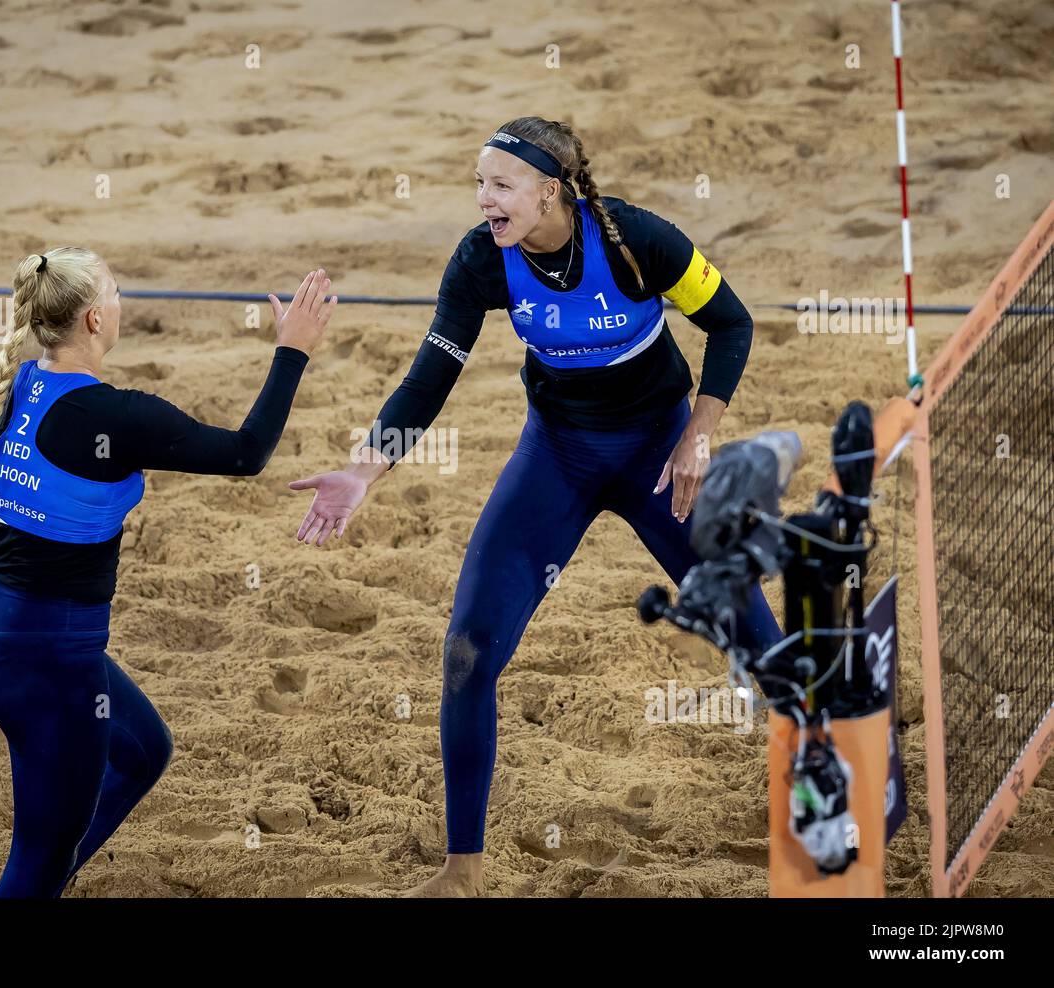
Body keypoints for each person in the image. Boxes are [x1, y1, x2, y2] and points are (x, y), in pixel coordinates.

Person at [287, 117, 782, 897]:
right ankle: (463, 871)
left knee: (750, 624)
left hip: (659, 453)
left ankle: (841, 772)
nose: (485, 200)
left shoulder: (637, 242)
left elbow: (732, 324)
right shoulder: (483, 261)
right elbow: (428, 378)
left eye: (501, 185)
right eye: (479, 185)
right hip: (557, 456)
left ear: (552, 192)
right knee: (466, 654)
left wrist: (701, 434)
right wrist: (365, 470)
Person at [0, 248, 336, 896]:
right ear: (93, 320)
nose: (122, 303)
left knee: (145, 751)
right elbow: (246, 453)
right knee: (31, 866)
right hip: (47, 664)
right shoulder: (117, 419)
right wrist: (293, 350)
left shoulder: (10, 386)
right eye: (115, 293)